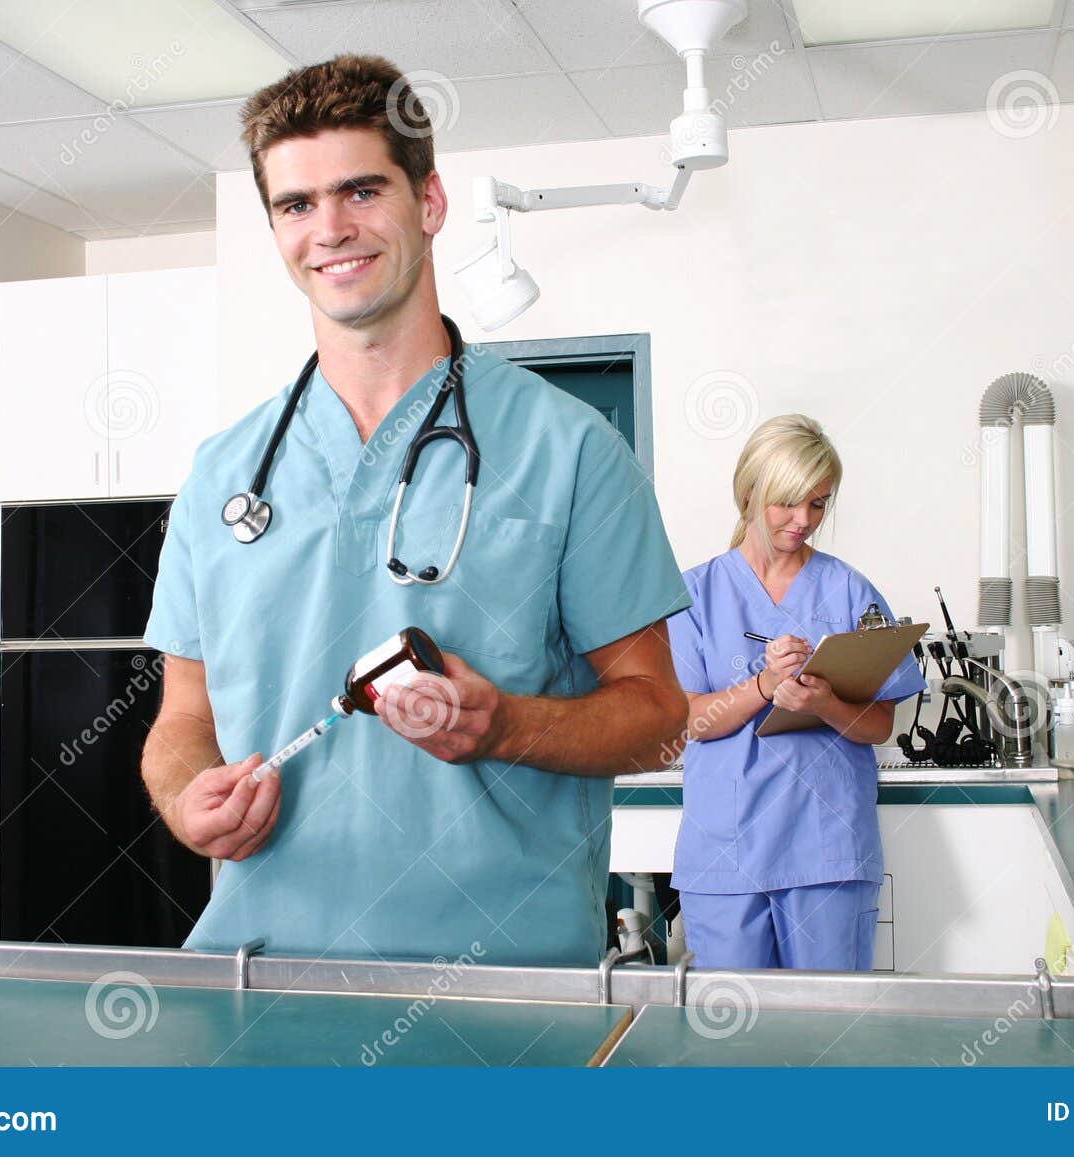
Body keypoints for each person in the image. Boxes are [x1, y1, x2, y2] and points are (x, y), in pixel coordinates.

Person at [139, 55, 689, 967]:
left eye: (361, 190)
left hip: (503, 989)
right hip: (260, 971)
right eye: (296, 204)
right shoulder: (222, 474)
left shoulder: (572, 449)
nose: (331, 229)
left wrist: (506, 724)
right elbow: (180, 719)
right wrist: (185, 792)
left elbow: (658, 713)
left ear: (429, 201)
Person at [665, 415, 926, 970]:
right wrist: (763, 685)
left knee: (828, 1033)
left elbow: (879, 726)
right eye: (788, 502)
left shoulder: (848, 589)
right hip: (725, 853)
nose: (803, 521)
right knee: (731, 1041)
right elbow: (689, 722)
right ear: (750, 492)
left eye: (819, 504)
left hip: (825, 849)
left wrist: (824, 703)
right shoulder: (694, 593)